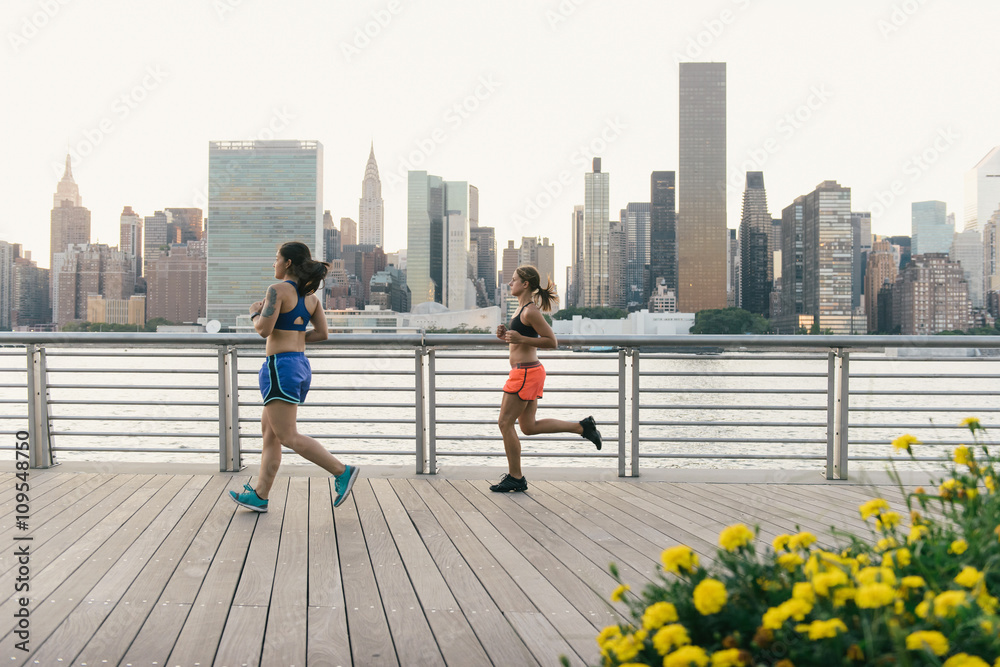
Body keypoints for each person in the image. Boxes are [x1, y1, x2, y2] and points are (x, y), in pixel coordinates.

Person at [229, 241, 359, 512]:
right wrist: (295, 338)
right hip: (299, 365)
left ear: (288, 263)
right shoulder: (311, 298)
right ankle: (260, 495)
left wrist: (255, 311)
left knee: (287, 436)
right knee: (271, 435)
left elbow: (263, 330)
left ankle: (341, 471)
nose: (273, 263)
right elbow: (322, 334)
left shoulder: (276, 291)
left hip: (280, 368)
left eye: (276, 258)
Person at [491, 265, 602, 493]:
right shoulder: (519, 309)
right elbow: (522, 340)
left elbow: (551, 341)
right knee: (528, 427)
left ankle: (516, 477)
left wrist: (520, 337)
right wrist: (507, 336)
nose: (510, 284)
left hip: (525, 373)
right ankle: (583, 427)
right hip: (525, 372)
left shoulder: (530, 311)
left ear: (525, 284)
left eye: (513, 280)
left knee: (505, 423)